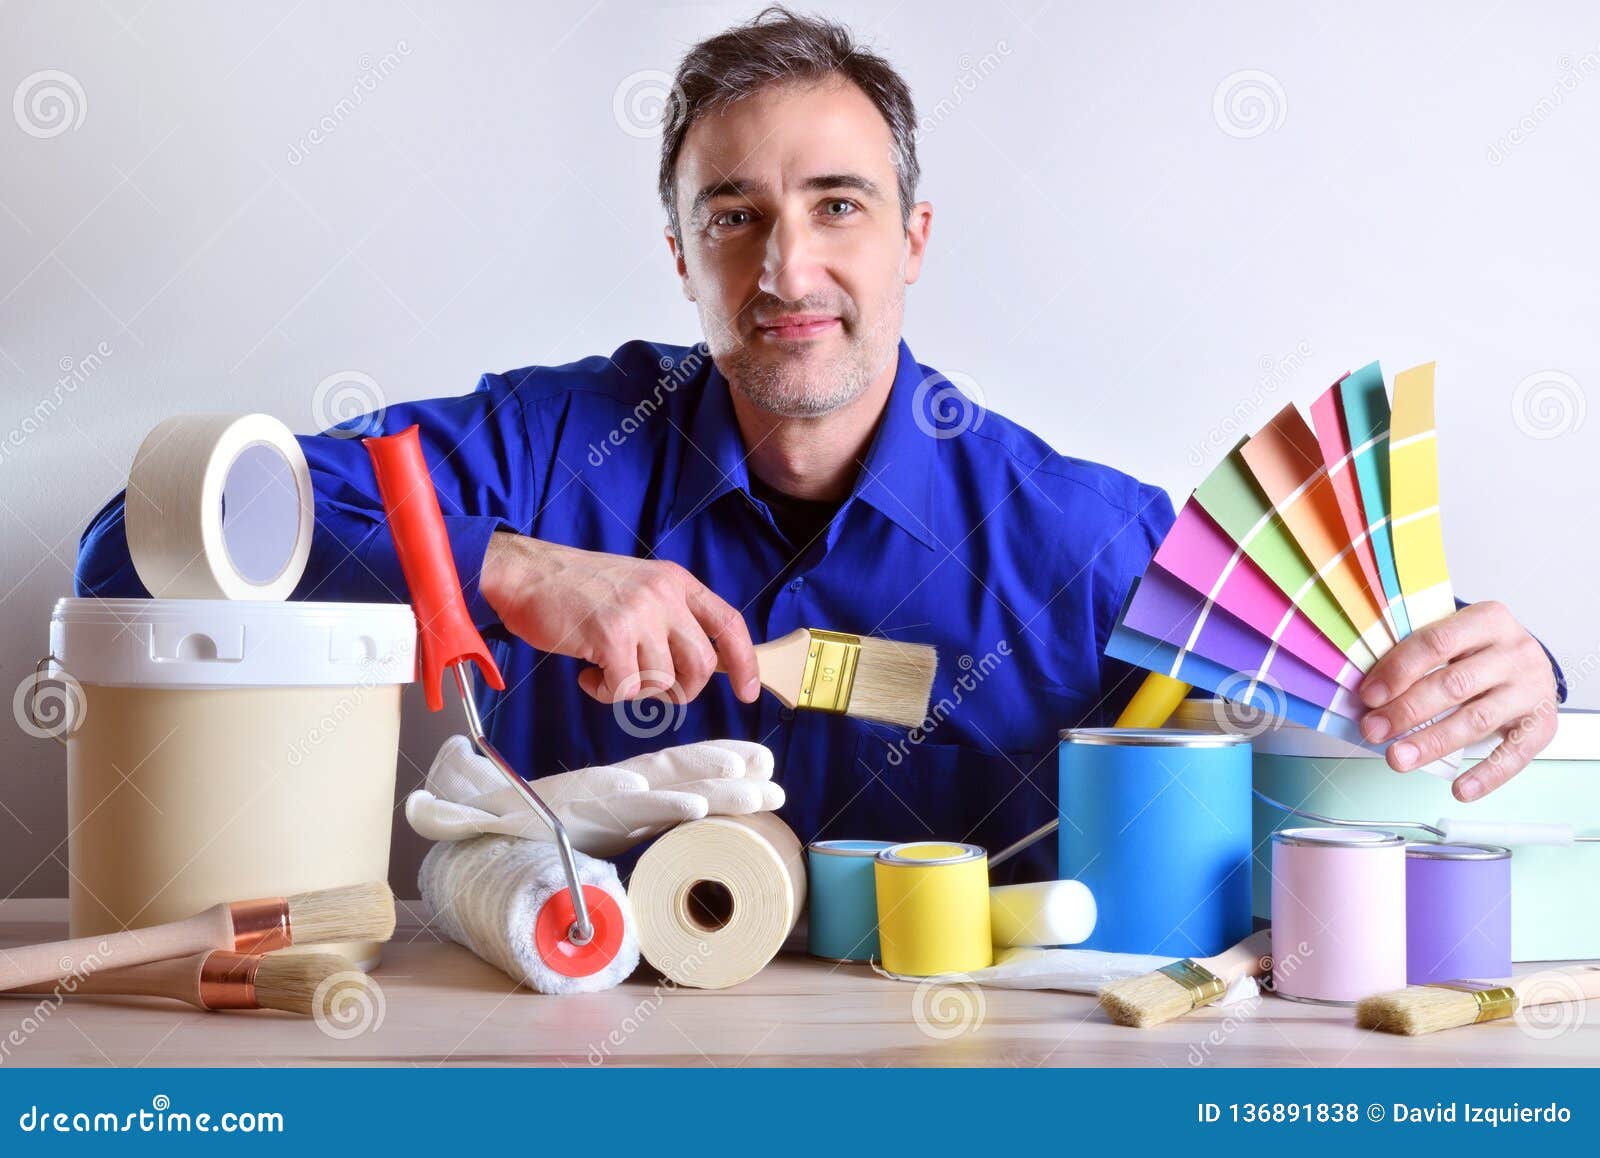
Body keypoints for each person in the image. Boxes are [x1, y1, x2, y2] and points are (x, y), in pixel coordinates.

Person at [75, 7, 1563, 882]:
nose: (787, 269)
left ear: (914, 239)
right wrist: (507, 568)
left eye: (838, 206)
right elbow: (133, 546)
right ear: (682, 255)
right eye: (736, 217)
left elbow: (1318, 746)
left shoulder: (1086, 543)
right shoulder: (551, 446)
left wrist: (1516, 681)